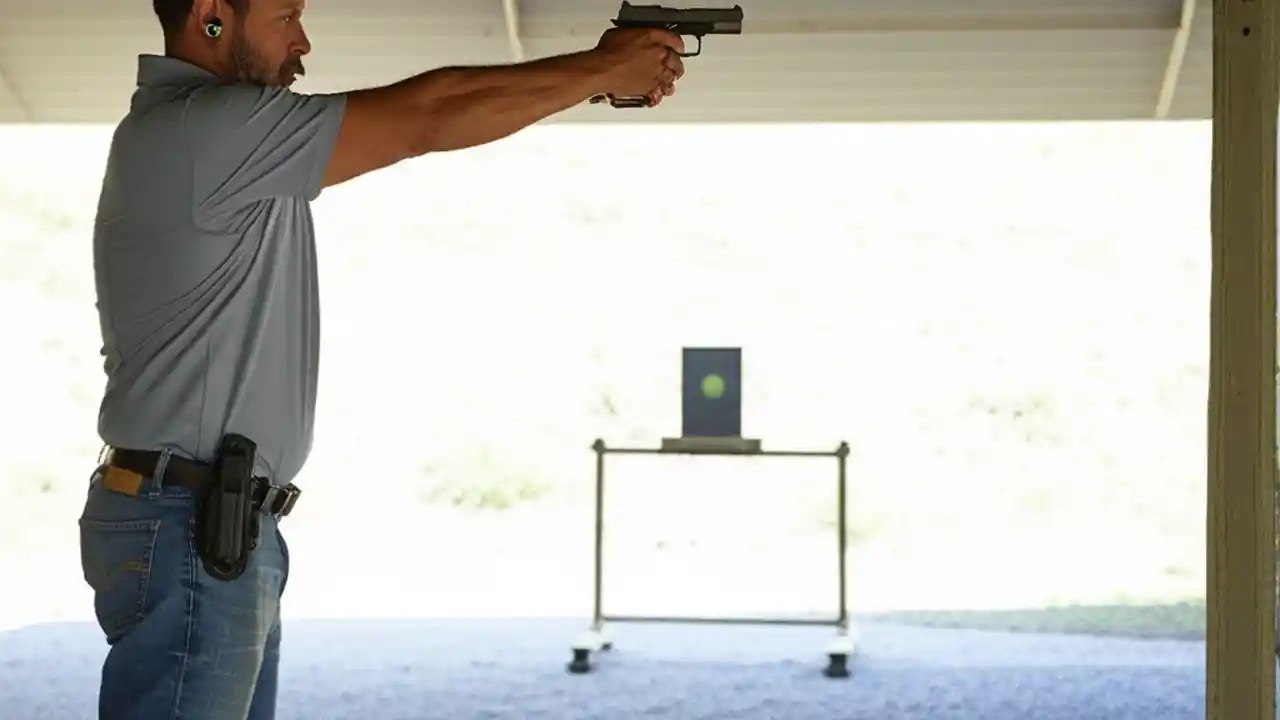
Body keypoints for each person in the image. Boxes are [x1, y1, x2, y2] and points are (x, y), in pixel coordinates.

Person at [77, 0, 685, 718]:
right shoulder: (202, 130)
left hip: (208, 518)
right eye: (285, 14)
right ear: (212, 14)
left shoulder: (207, 135)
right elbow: (430, 113)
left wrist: (597, 73)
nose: (303, 40)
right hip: (191, 521)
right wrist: (604, 68)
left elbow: (435, 112)